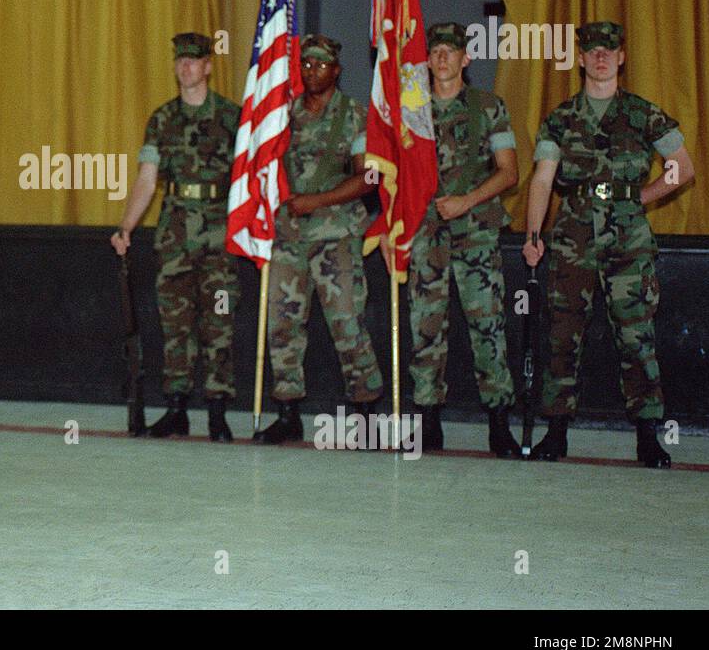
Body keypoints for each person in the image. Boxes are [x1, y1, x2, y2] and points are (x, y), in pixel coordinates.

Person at [522, 21, 693, 468]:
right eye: (592, 50)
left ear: (621, 58)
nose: (600, 57)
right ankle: (555, 432)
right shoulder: (560, 118)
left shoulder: (642, 113)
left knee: (636, 336)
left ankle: (647, 435)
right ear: (580, 59)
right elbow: (541, 181)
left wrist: (641, 196)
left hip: (628, 237)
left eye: (609, 50)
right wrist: (533, 236)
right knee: (563, 335)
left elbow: (682, 168)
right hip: (573, 234)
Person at [111, 32, 241, 442]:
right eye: (179, 61)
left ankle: (217, 411)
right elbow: (147, 181)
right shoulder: (162, 119)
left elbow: (252, 178)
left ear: (207, 66)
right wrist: (126, 226)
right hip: (175, 231)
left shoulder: (233, 117)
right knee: (176, 323)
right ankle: (177, 408)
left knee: (218, 321)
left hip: (219, 231)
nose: (185, 68)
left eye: (193, 61)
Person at [254, 35, 382, 445]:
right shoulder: (284, 114)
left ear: (337, 70)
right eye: (306, 65)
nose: (312, 72)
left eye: (321, 65)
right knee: (282, 324)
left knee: (347, 322)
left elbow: (369, 178)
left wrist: (317, 200)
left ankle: (364, 413)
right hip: (289, 236)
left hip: (336, 235)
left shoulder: (354, 115)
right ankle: (288, 412)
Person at [404, 22, 521, 456]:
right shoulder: (410, 111)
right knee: (426, 328)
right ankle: (428, 422)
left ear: (466, 58)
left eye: (451, 51)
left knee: (487, 327)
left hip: (475, 232)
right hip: (425, 234)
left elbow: (509, 172)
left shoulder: (488, 106)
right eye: (435, 51)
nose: (442, 58)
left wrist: (465, 201)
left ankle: (498, 423)